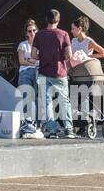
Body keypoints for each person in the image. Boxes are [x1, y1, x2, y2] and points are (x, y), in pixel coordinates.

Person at [32, 9, 74, 139]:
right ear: (58, 20)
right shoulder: (63, 34)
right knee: (64, 101)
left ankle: (52, 131)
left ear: (46, 19)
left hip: (44, 72)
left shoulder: (39, 35)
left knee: (47, 102)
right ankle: (68, 129)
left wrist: (44, 57)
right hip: (60, 72)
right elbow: (69, 55)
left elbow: (33, 55)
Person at [16, 20, 44, 139]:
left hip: (38, 72)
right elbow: (21, 61)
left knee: (39, 98)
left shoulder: (42, 44)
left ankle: (37, 125)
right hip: (25, 72)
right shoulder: (23, 45)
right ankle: (28, 122)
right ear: (26, 33)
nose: (32, 32)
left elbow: (43, 60)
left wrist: (33, 61)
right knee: (26, 96)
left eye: (34, 30)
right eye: (29, 31)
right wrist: (34, 62)